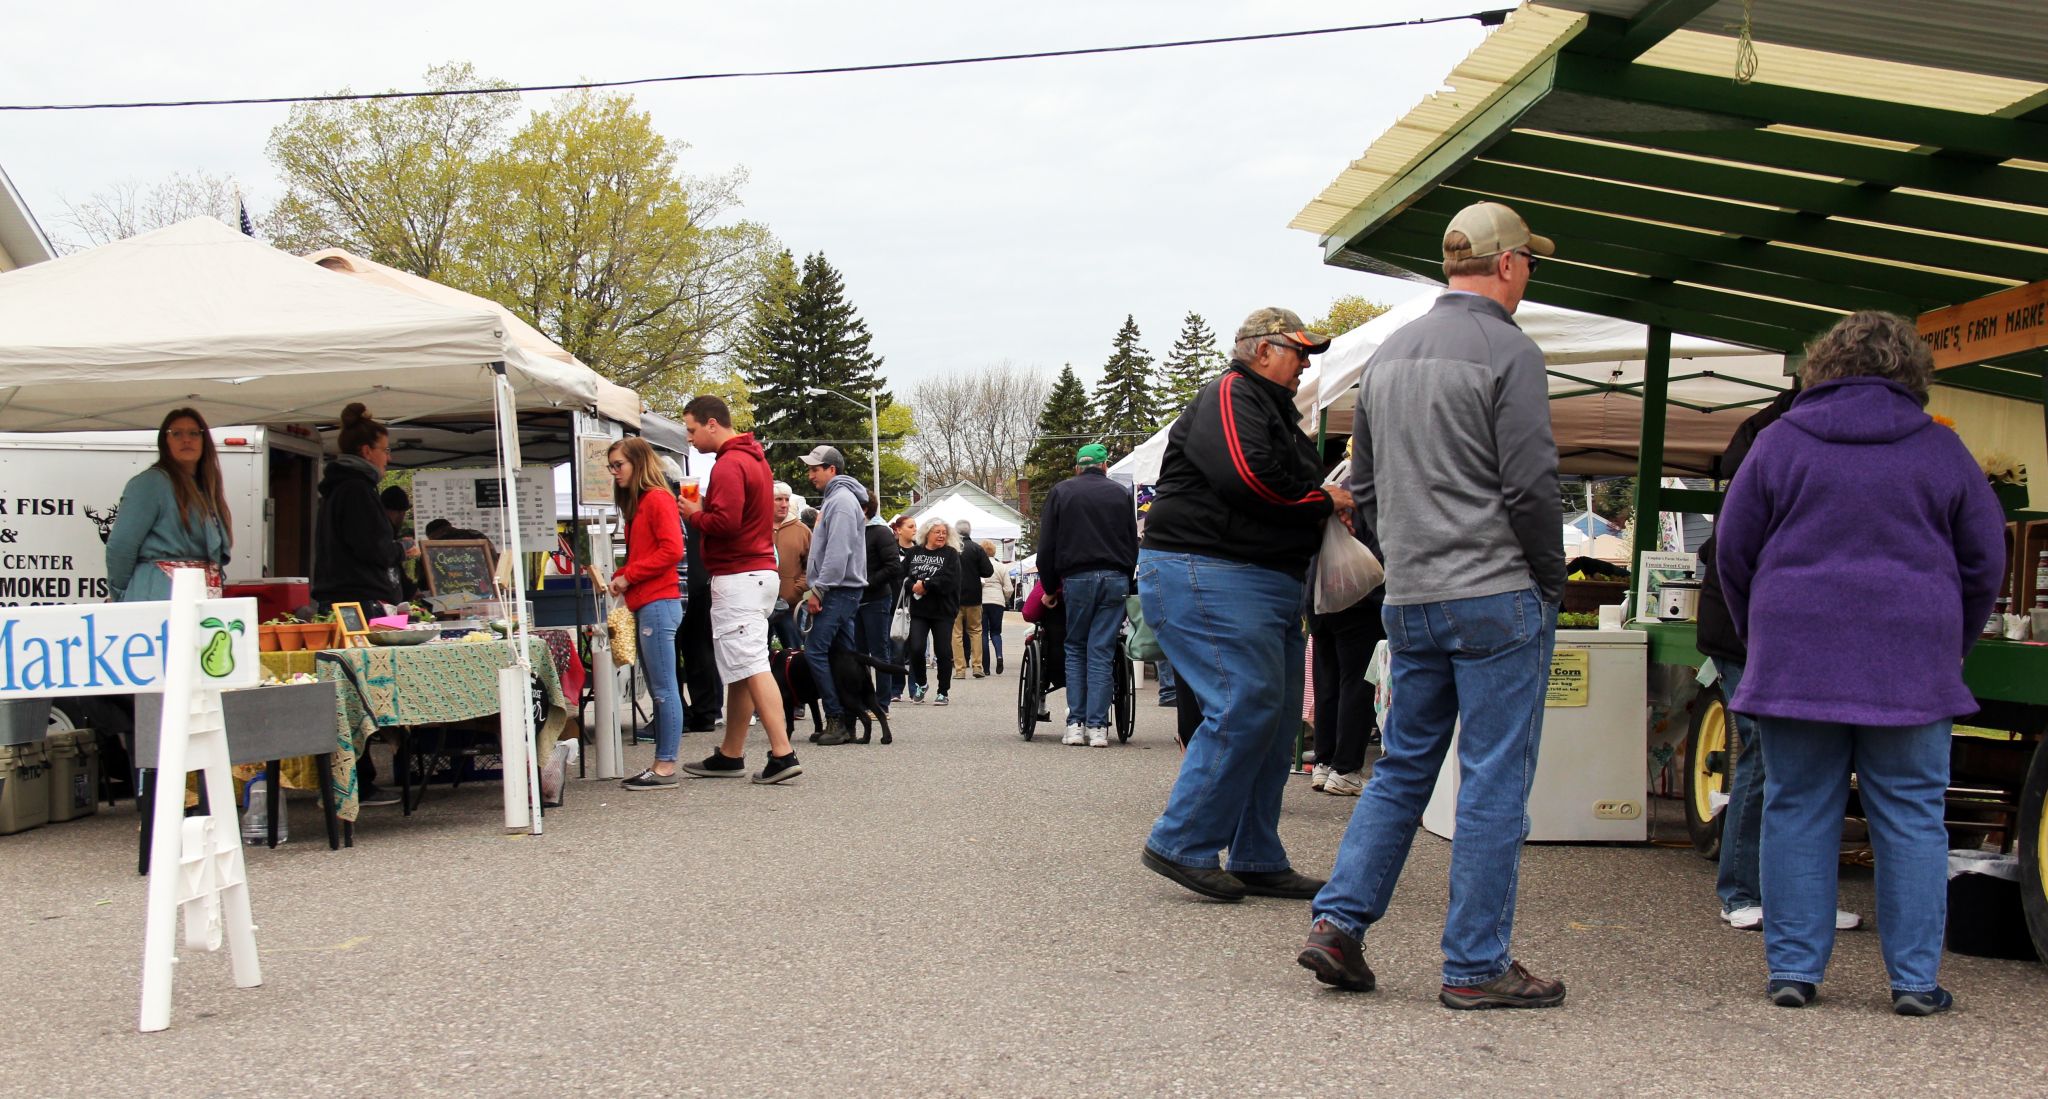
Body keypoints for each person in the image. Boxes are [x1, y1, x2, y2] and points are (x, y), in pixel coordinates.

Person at [1302, 202, 1565, 1010]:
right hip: (1495, 593)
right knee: (1491, 779)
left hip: (1412, 599)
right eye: (1530, 264)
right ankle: (1475, 963)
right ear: (1511, 264)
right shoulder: (1508, 351)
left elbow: (1365, 487)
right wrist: (1548, 575)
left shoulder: (1389, 354)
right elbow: (1528, 485)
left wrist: (1410, 554)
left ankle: (1339, 923)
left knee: (1402, 768)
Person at [1717, 311, 2004, 1015]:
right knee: (1910, 816)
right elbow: (1986, 557)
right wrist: (1952, 642)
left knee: (1796, 807)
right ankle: (1912, 982)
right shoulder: (1942, 450)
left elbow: (1732, 549)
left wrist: (1765, 637)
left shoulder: (1780, 442)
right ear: (1913, 372)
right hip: (1912, 656)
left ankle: (1792, 970)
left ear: (1823, 364)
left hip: (1796, 651)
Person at [1137, 309, 1347, 901]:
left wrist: (1321, 498)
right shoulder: (1232, 393)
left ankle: (1256, 854)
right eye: (1299, 351)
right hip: (1211, 570)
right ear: (1262, 351)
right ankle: (1181, 841)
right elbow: (1249, 479)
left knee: (1276, 720)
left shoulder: (1268, 407)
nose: (1306, 362)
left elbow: (1266, 479)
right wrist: (1322, 499)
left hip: (1255, 577)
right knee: (1245, 703)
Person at [1694, 390, 1862, 934]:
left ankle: (1795, 896)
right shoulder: (1781, 436)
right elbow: (1740, 548)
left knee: (1801, 759)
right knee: (1767, 754)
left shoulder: (1786, 429)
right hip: (1750, 628)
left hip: (1783, 628)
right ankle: (1744, 890)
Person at [675, 395, 803, 784]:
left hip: (738, 577)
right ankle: (731, 753)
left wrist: (696, 515)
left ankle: (782, 753)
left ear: (712, 423)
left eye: (693, 430)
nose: (691, 439)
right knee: (741, 666)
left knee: (751, 665)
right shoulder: (755, 459)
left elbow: (726, 523)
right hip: (759, 573)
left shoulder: (729, 464)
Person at [311, 403, 416, 807]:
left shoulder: (343, 488)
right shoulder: (356, 490)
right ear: (368, 450)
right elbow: (369, 547)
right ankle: (355, 779)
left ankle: (357, 777)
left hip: (345, 597)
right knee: (364, 694)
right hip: (358, 602)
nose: (389, 458)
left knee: (353, 694)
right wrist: (399, 549)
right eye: (386, 450)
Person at [1040, 442, 1138, 748]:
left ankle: (1076, 724)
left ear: (1077, 467)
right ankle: (1098, 727)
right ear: (1105, 465)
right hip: (1114, 576)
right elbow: (1131, 540)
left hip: (1078, 576)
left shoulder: (1062, 491)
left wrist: (1048, 586)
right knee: (1101, 649)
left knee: (1076, 647)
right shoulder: (1121, 493)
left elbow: (1047, 545)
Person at [607, 439, 686, 790]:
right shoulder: (642, 503)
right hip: (650, 601)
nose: (615, 472)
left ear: (638, 463)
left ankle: (665, 764)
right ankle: (663, 762)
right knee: (659, 687)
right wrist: (623, 576)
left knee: (664, 688)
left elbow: (672, 550)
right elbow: (652, 552)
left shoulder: (656, 499)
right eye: (612, 466)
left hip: (658, 602)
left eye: (619, 464)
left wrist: (629, 576)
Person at [105, 407, 232, 602]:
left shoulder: (206, 487)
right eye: (177, 434)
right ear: (166, 441)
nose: (186, 439)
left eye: (194, 433)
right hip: (158, 593)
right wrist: (122, 593)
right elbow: (121, 546)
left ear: (204, 440)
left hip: (200, 593)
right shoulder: (151, 483)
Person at [798, 445, 870, 746]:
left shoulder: (840, 501)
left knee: (815, 650)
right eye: (811, 468)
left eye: (816, 468)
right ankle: (848, 720)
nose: (811, 473)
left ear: (832, 470)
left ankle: (836, 718)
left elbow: (837, 553)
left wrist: (818, 589)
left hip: (837, 590)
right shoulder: (838, 500)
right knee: (843, 656)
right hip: (842, 589)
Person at [901, 518, 961, 705]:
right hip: (919, 610)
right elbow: (903, 575)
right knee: (916, 648)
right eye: (937, 532)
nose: (941, 535)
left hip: (943, 610)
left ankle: (943, 691)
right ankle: (921, 683)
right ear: (927, 534)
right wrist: (913, 586)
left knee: (943, 651)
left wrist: (926, 585)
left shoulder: (951, 554)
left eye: (944, 532)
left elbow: (950, 579)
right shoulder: (914, 552)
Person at [857, 494, 905, 714]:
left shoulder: (881, 532)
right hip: (853, 600)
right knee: (858, 653)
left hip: (876, 599)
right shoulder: (853, 530)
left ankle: (882, 703)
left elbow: (893, 566)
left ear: (865, 508)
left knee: (879, 652)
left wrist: (867, 582)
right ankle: (862, 700)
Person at [769, 481, 811, 654]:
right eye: (778, 499)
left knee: (793, 655)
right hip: (761, 607)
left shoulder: (802, 531)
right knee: (759, 658)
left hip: (791, 607)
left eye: (786, 499)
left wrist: (795, 590)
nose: (784, 504)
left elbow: (812, 568)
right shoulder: (757, 527)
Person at [952, 519, 994, 678]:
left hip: (954, 597)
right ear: (970, 532)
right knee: (976, 631)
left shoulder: (952, 548)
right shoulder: (977, 549)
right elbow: (988, 571)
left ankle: (960, 670)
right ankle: (977, 667)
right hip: (974, 597)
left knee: (956, 634)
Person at [887, 513, 920, 702]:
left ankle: (915, 688)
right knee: (897, 649)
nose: (914, 529)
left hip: (916, 605)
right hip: (895, 604)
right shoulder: (891, 550)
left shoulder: (920, 552)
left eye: (915, 526)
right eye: (910, 526)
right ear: (898, 530)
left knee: (916, 648)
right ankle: (896, 688)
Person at [978, 541, 1013, 675]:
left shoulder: (979, 566)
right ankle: (999, 655)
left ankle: (986, 668)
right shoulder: (1001, 567)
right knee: (996, 632)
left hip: (982, 601)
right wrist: (1005, 597)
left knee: (983, 633)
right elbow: (1009, 588)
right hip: (997, 601)